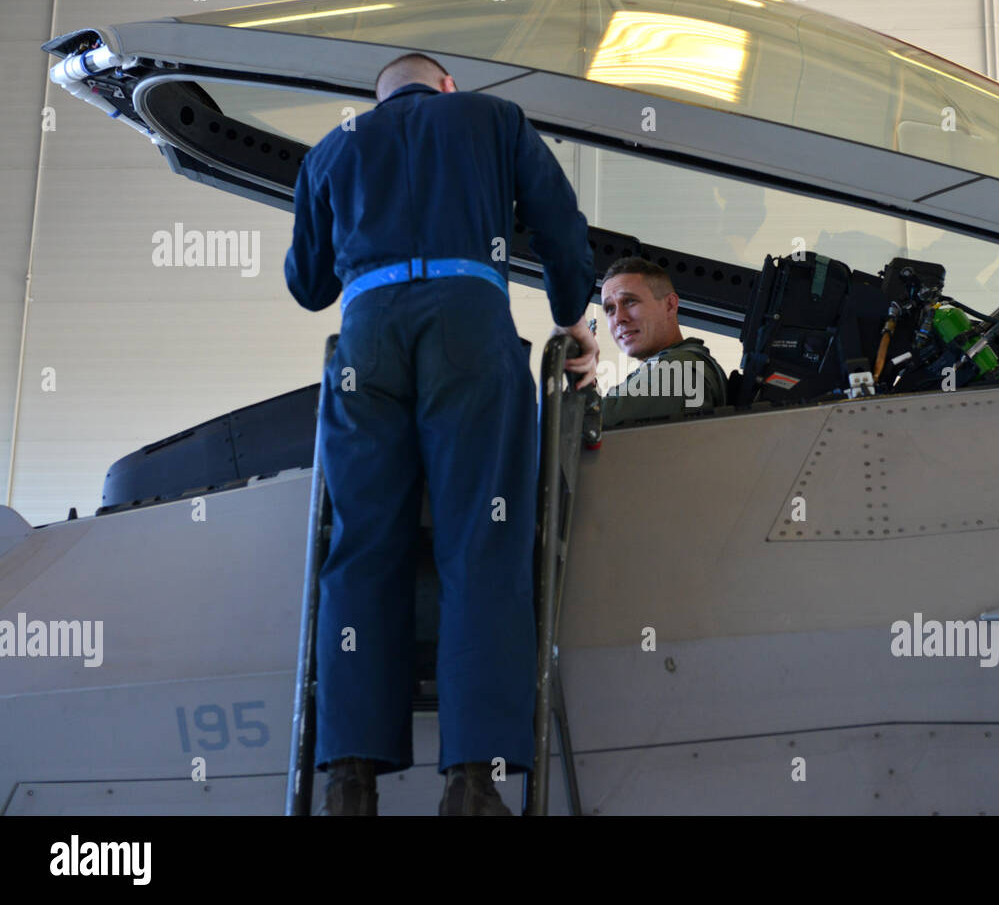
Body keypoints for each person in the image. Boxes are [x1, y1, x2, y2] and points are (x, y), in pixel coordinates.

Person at [284, 52, 598, 815]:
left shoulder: (336, 144)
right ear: (446, 85)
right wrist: (572, 320)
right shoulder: (495, 118)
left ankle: (348, 777)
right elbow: (561, 229)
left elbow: (308, 284)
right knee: (480, 544)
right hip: (469, 325)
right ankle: (472, 780)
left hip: (366, 340)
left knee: (359, 549)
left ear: (381, 95)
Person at [599, 257, 728, 427]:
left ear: (670, 305)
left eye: (630, 301)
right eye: (610, 309)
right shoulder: (665, 368)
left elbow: (595, 421)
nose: (619, 318)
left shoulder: (681, 369)